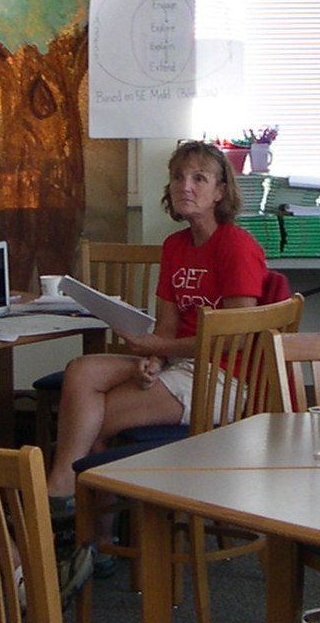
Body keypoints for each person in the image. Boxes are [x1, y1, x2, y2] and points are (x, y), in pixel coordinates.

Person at [44, 140, 267, 502]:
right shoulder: (174, 246)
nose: (185, 186)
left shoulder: (236, 246)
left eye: (199, 178)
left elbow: (236, 338)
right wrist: (154, 359)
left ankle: (80, 518)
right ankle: (68, 495)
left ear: (220, 192)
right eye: (178, 177)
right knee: (81, 370)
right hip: (181, 362)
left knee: (94, 419)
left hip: (225, 376)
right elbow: (166, 326)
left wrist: (160, 348)